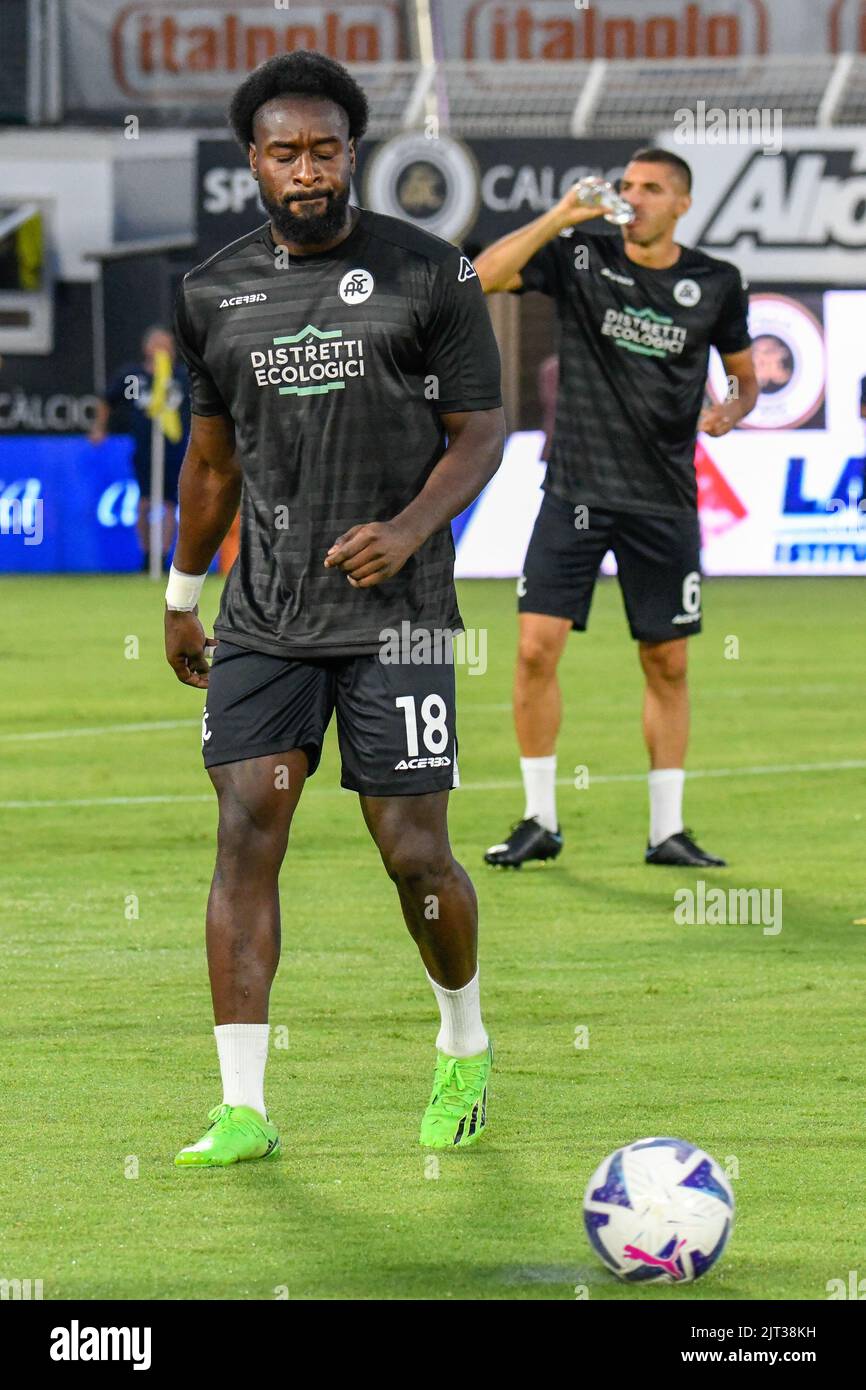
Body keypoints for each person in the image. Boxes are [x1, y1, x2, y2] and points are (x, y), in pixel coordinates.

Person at [164, 50, 504, 1166]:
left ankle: (462, 1038)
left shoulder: (432, 274)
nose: (304, 169)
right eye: (282, 151)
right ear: (250, 161)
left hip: (397, 616)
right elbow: (210, 461)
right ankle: (243, 1107)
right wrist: (181, 592)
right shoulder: (212, 288)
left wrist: (408, 527)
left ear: (351, 153)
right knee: (244, 832)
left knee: (412, 852)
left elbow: (481, 432)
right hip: (264, 617)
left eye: (323, 148)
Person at [475, 148, 758, 869]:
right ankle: (539, 818)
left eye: (651, 188)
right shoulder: (581, 255)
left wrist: (731, 409)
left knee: (666, 661)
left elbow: (744, 378)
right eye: (627, 186)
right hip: (573, 488)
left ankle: (667, 831)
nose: (634, 198)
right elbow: (486, 276)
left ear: (681, 204)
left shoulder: (715, 283)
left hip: (662, 497)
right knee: (536, 649)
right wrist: (563, 215)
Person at [90, 326, 191, 565]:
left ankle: (164, 555)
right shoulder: (133, 376)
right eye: (158, 345)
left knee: (169, 502)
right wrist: (99, 427)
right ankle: (146, 555)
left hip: (174, 448)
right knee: (145, 500)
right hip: (144, 447)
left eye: (167, 346)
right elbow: (107, 400)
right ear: (147, 348)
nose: (164, 350)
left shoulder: (182, 377)